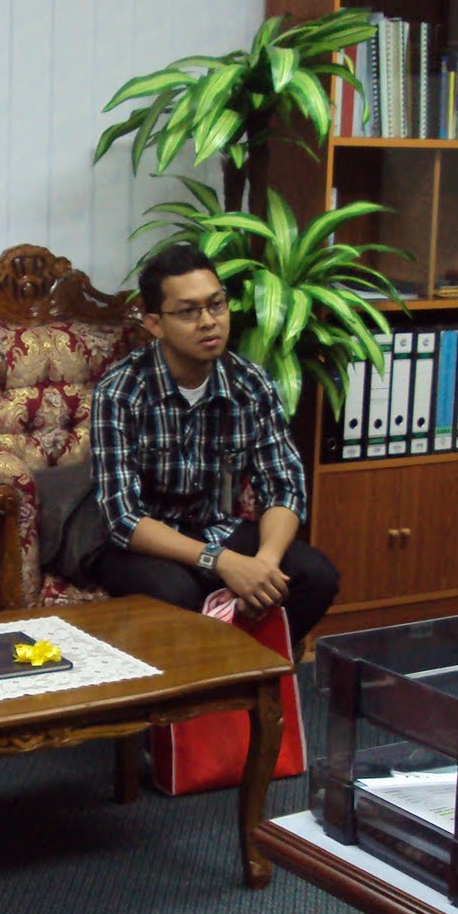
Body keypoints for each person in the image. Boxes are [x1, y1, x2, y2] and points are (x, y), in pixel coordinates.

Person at [86, 242, 339, 645]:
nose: (208, 322)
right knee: (179, 595)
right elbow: (123, 519)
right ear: (155, 324)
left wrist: (263, 566)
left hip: (215, 527)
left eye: (216, 305)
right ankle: (205, 695)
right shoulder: (121, 391)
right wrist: (222, 562)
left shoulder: (250, 383)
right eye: (189, 311)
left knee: (316, 575)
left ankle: (250, 685)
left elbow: (285, 487)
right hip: (139, 546)